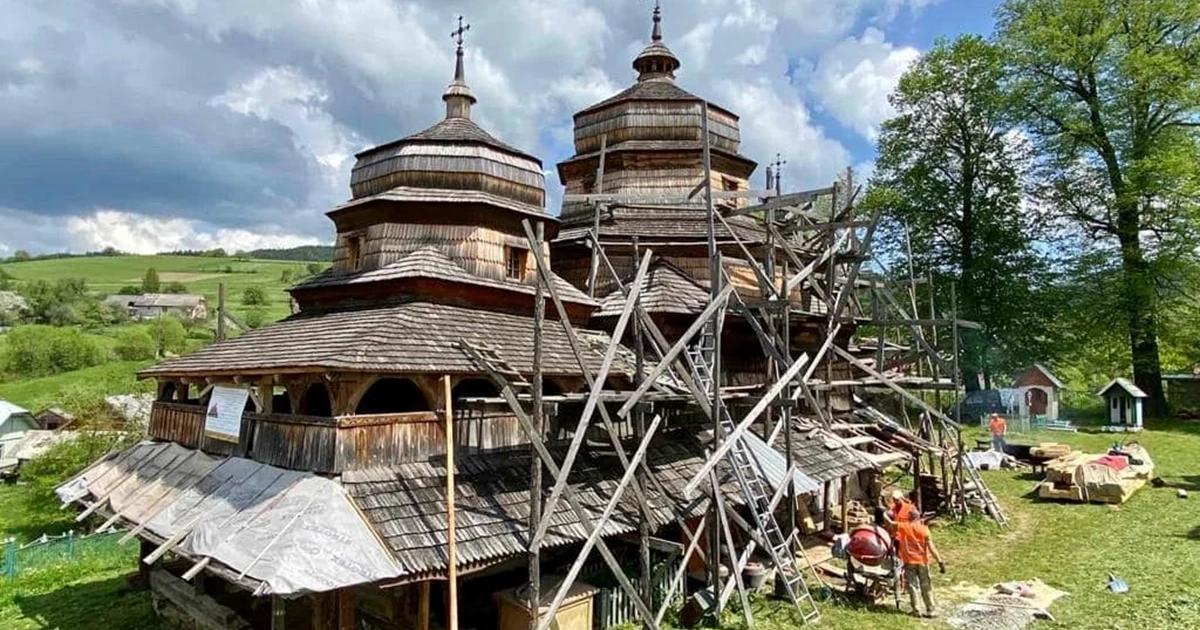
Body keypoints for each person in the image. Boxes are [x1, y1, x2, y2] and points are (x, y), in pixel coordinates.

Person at [895, 516, 946, 618]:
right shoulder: (924, 530)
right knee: (926, 585)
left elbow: (891, 523)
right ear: (918, 518)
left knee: (912, 585)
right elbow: (931, 548)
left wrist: (884, 514)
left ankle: (916, 610)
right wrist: (940, 561)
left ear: (909, 518)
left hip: (909, 561)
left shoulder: (904, 527)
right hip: (923, 562)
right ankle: (930, 609)